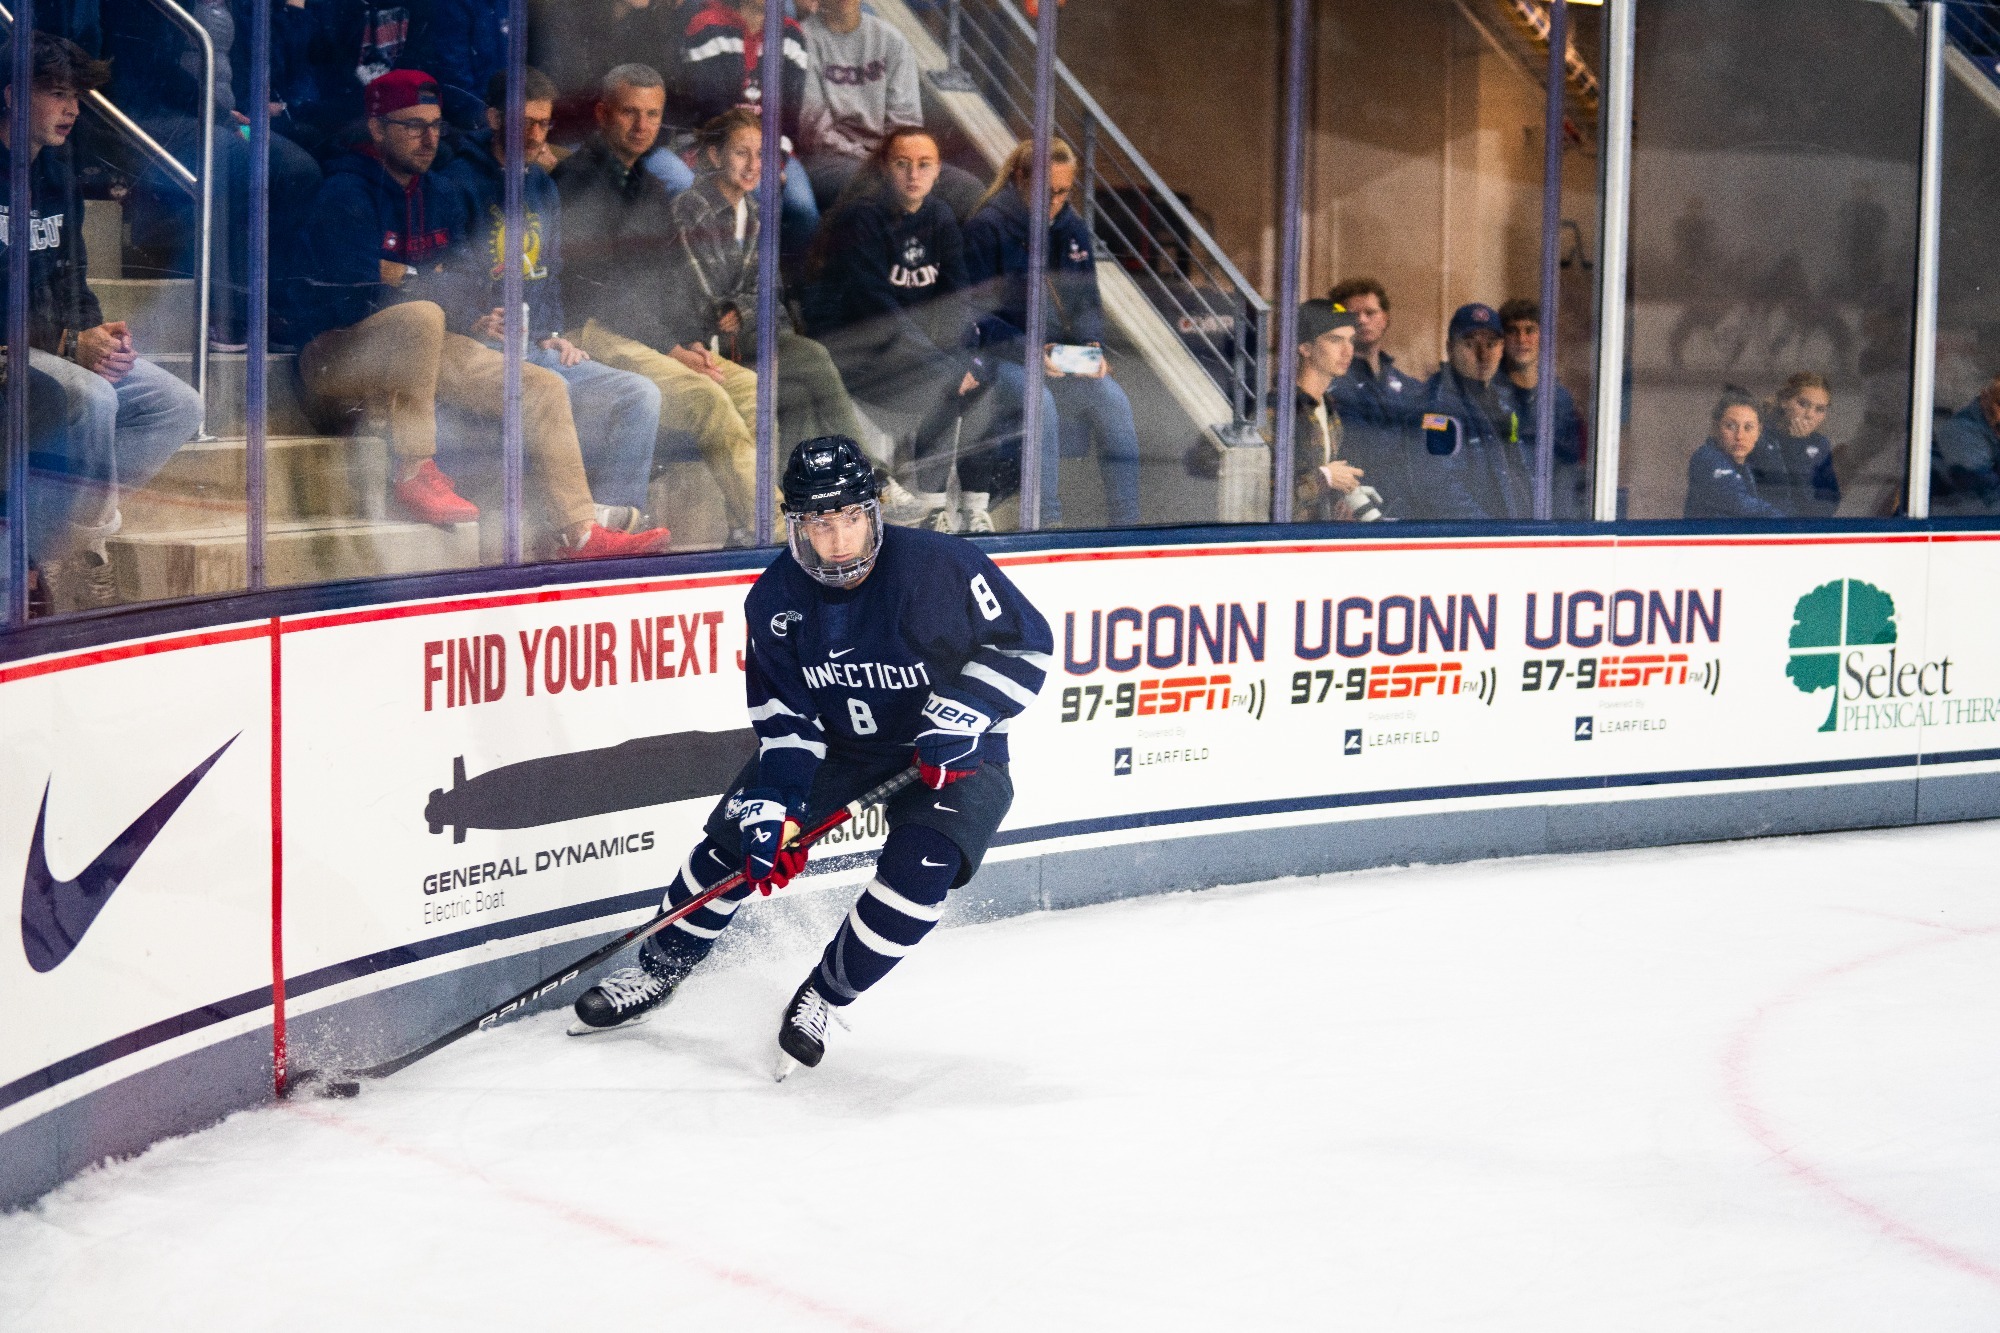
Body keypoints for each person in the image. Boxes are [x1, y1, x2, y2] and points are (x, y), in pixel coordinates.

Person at [567, 434, 1053, 1077]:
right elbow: (787, 723)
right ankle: (658, 972)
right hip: (841, 747)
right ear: (796, 525)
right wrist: (776, 806)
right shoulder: (775, 602)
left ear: (874, 511)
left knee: (923, 867)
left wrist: (964, 712)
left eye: (851, 518)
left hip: (952, 749)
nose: (839, 540)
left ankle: (822, 996)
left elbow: (1025, 645)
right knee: (735, 846)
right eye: (820, 524)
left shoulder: (942, 565)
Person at [295, 68, 671, 557]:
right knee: (423, 314)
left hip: (423, 345)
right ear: (376, 128)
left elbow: (466, 287)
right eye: (412, 125)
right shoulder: (345, 193)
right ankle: (415, 469)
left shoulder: (437, 194)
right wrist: (423, 284)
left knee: (543, 386)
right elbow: (350, 296)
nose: (428, 138)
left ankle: (581, 532)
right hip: (336, 354)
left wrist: (403, 276)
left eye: (435, 125)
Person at [0, 32, 206, 609]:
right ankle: (75, 554)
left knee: (177, 404)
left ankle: (45, 544)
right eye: (59, 93)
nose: (73, 108)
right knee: (92, 398)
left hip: (45, 347)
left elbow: (73, 276)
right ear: (15, 95)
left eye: (78, 95)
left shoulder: (56, 172)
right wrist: (69, 343)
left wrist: (103, 335)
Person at [437, 68, 663, 532]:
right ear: (495, 118)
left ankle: (614, 522)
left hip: (536, 345)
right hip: (483, 348)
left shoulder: (542, 185)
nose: (537, 134)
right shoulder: (457, 181)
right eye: (526, 122)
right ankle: (584, 528)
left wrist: (555, 334)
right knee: (551, 389)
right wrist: (474, 318)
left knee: (640, 393)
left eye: (544, 123)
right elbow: (445, 274)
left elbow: (550, 273)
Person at [553, 63, 765, 544]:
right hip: (591, 330)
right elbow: (605, 290)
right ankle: (768, 528)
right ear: (602, 113)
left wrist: (690, 341)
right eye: (629, 112)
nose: (641, 125)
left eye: (652, 114)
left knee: (752, 389)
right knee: (708, 397)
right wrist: (674, 350)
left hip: (647, 333)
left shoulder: (647, 184)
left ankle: (746, 523)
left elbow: (666, 283)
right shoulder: (579, 181)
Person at [808, 127, 1027, 532]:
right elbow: (878, 308)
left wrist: (964, 356)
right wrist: (944, 363)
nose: (913, 174)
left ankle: (973, 509)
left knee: (984, 372)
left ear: (937, 170)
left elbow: (958, 298)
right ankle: (932, 509)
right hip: (861, 350)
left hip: (915, 348)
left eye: (924, 165)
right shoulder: (862, 217)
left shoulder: (940, 217)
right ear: (885, 169)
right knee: (947, 381)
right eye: (902, 164)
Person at [664, 108, 873, 450]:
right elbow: (710, 299)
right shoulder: (691, 208)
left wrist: (744, 309)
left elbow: (769, 291)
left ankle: (791, 492)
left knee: (796, 396)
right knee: (815, 357)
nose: (753, 165)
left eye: (762, 154)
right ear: (716, 155)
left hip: (751, 332)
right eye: (741, 153)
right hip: (708, 340)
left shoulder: (759, 212)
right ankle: (869, 471)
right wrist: (747, 307)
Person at [964, 138, 1132, 526]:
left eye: (1063, 192)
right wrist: (1031, 353)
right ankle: (1047, 521)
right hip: (1005, 353)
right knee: (1041, 405)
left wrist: (1093, 346)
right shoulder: (986, 226)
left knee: (1114, 401)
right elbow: (976, 314)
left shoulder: (1072, 228)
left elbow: (1087, 301)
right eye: (1046, 193)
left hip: (1059, 353)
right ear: (1021, 180)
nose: (1055, 202)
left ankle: (1128, 524)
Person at [656, 0, 818, 261]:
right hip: (716, 142)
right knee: (754, 198)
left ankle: (786, 285)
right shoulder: (707, 24)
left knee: (803, 208)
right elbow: (710, 109)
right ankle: (737, 282)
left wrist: (774, 162)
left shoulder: (792, 35)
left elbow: (788, 117)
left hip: (772, 147)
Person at [796, 0, 978, 216]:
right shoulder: (803, 38)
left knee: (968, 189)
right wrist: (876, 161)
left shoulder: (891, 40)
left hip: (893, 157)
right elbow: (815, 129)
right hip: (831, 159)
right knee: (880, 189)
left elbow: (907, 120)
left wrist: (894, 159)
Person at [1415, 303, 1531, 521]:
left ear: (1502, 347)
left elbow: (1520, 471)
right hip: (1473, 540)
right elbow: (1439, 487)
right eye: (1470, 344)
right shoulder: (1437, 406)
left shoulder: (1505, 403)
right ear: (1450, 348)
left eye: (1491, 344)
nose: (1483, 355)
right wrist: (1489, 533)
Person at [1326, 277, 1421, 514]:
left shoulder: (1407, 385)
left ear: (1385, 318)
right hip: (1355, 508)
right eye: (1353, 313)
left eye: (1370, 312)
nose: (1362, 320)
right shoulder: (1329, 383)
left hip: (1406, 508)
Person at [1290, 300, 1382, 523]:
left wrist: (1340, 496)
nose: (1347, 350)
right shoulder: (1281, 409)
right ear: (1305, 347)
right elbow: (1259, 497)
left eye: (1350, 340)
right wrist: (1325, 478)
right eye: (1335, 340)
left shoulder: (1328, 407)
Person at [1495, 297, 1586, 520]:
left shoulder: (1559, 398)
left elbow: (1568, 468)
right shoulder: (1489, 393)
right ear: (1503, 339)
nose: (1521, 339)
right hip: (1502, 518)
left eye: (1530, 330)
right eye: (1513, 331)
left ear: (1542, 337)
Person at [1684, 386, 1783, 519]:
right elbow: (1740, 504)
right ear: (1716, 427)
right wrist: (1790, 523)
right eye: (1730, 426)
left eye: (1748, 428)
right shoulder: (1706, 458)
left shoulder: (1746, 466)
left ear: (1759, 432)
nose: (1739, 436)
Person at [1755, 372, 1840, 518]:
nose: (1810, 415)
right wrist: (1796, 446)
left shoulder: (1820, 444)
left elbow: (1829, 500)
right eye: (1803, 404)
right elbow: (1777, 495)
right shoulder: (1758, 437)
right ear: (1784, 401)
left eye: (1819, 409)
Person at [1931, 373, 2000, 516]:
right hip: (1951, 524)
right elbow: (1988, 500)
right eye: (1999, 402)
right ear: (1985, 396)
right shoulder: (1959, 434)